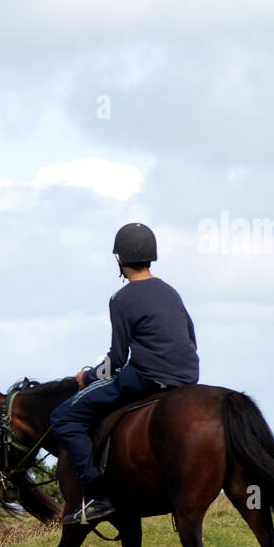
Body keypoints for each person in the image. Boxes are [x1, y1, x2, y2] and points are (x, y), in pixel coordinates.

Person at [49, 222, 199, 525]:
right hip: (187, 376)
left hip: (146, 378)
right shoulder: (171, 292)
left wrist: (88, 377)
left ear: (120, 260)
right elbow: (190, 338)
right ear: (151, 257)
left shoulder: (121, 299)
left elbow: (117, 359)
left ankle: (97, 494)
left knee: (63, 417)